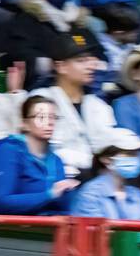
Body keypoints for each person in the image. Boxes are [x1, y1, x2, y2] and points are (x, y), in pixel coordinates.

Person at [0, 0, 96, 91]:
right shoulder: (24, 21)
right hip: (40, 89)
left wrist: (92, 62)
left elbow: (98, 52)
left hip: (83, 89)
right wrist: (53, 65)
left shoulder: (76, 22)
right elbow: (22, 55)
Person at [41, 35, 115, 178]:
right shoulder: (41, 100)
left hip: (97, 178)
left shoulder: (98, 105)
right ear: (60, 66)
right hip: (55, 177)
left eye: (91, 60)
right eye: (81, 61)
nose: (90, 66)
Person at [0, 95, 78, 214]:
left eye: (52, 117)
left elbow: (62, 207)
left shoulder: (56, 160)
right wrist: (49, 194)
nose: (49, 123)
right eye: (41, 117)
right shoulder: (8, 150)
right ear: (25, 124)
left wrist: (69, 192)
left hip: (47, 229)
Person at [69, 126, 140, 220]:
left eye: (135, 154)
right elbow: (94, 232)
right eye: (128, 154)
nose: (134, 159)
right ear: (106, 159)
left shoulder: (136, 194)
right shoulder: (91, 194)